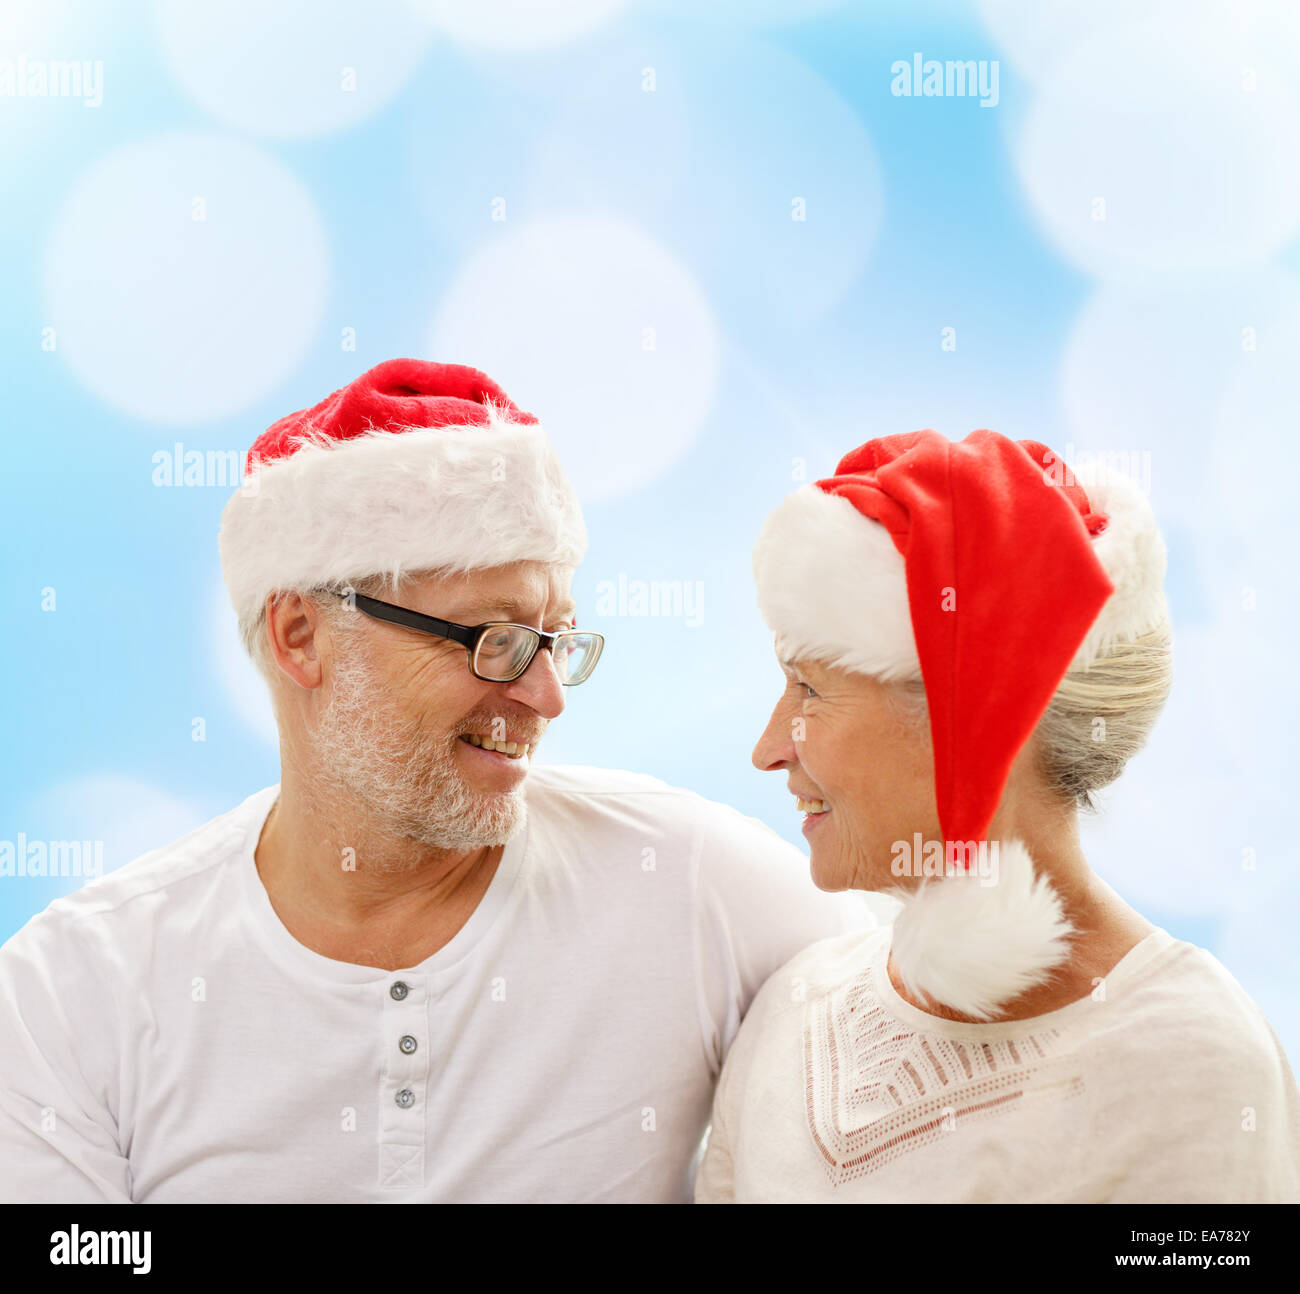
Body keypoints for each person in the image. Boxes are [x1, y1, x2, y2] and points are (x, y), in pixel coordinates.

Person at [0, 359, 870, 1204]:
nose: (547, 696)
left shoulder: (699, 892)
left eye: (554, 639)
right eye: (492, 640)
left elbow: (937, 1064)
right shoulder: (69, 996)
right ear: (302, 635)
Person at [695, 428, 1300, 1203]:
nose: (769, 747)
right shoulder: (794, 1008)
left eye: (809, 689)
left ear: (978, 723)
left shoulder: (1192, 1066)